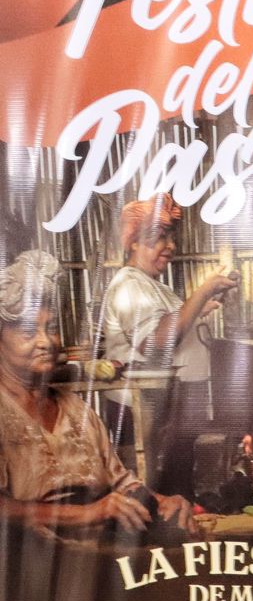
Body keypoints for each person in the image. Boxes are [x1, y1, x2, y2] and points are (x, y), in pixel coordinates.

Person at [0, 250, 191, 540]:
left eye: (50, 329)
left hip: (98, 555)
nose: (45, 342)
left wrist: (161, 501)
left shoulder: (76, 410)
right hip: (31, 565)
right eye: (28, 332)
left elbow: (121, 482)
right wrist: (89, 513)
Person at [98, 194, 238, 491]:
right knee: (150, 493)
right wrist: (204, 290)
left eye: (171, 238)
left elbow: (180, 323)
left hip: (169, 408)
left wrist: (207, 303)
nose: (170, 247)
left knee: (175, 490)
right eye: (159, 238)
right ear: (134, 241)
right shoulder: (128, 285)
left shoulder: (153, 287)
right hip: (143, 413)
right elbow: (157, 342)